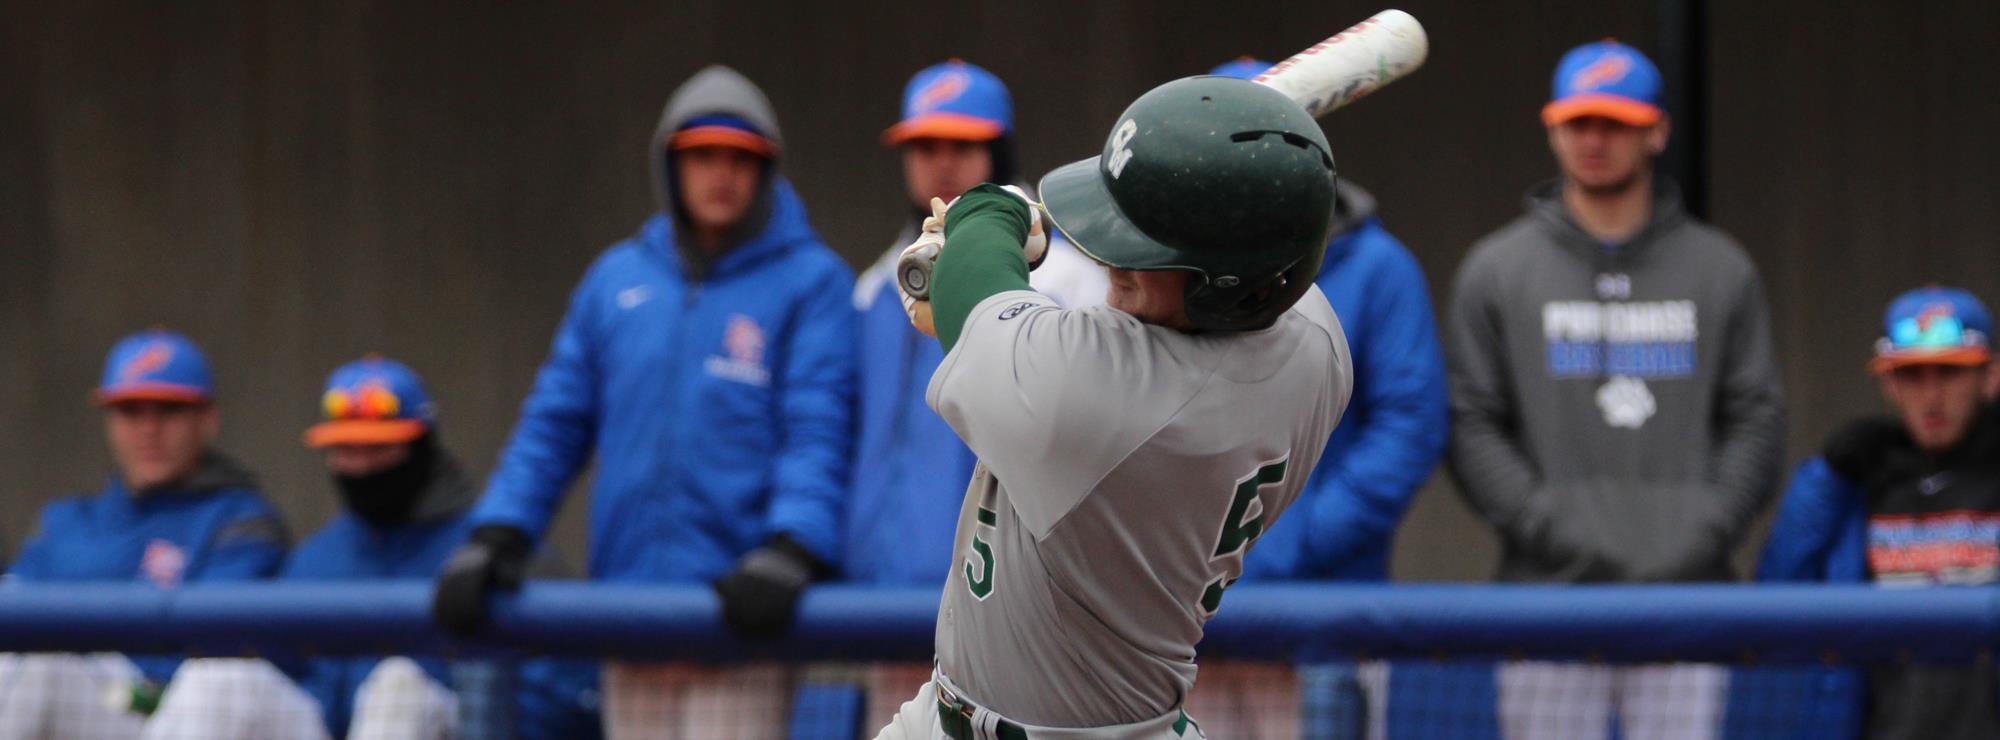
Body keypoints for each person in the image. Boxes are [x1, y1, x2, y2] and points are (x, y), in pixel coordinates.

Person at [874, 74, 1353, 738]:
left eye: (1143, 253)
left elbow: (976, 277)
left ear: (1228, 289)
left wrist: (997, 211)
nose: (1109, 262)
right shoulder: (1317, 342)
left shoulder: (1100, 398)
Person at [431, 65, 855, 738]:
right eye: (703, 155)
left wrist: (792, 549)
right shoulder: (616, 280)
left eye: (741, 159)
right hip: (630, 614)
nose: (722, 174)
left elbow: (818, 429)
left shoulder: (813, 282)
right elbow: (554, 423)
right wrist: (498, 533)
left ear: (766, 170)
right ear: (670, 163)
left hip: (739, 621)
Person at [1444, 40, 1784, 739]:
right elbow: (1470, 420)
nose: (1593, 140)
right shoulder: (1497, 267)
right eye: (1579, 122)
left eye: (1615, 123)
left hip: (1687, 601)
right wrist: (1544, 523)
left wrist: (1709, 526)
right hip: (1546, 600)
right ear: (1553, 128)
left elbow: (1757, 416)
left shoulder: (1720, 268)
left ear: (1656, 130)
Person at [1188, 57, 1450, 740]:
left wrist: (1279, 543)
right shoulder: (1167, 267)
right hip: (1185, 619)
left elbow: (1406, 429)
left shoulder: (1377, 267)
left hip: (1321, 613)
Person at [846, 59, 1110, 726]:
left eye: (961, 144)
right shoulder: (876, 288)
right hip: (888, 602)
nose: (941, 163)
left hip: (1014, 616)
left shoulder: (1069, 282)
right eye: (924, 145)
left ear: (999, 150)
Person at [147, 356, 602, 738]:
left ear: (422, 448)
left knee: (398, 687)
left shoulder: (491, 550)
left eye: (377, 449)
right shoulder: (316, 559)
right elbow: (292, 685)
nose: (359, 467)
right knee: (220, 677)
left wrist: (460, 696)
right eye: (345, 450)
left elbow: (573, 701)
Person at [0, 329, 289, 738]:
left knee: (221, 677)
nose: (148, 429)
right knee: (27, 658)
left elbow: (217, 650)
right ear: (109, 421)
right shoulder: (63, 522)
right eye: (131, 411)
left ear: (207, 420)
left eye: (169, 410)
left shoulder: (238, 521)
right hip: (95, 713)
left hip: (182, 715)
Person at [1758, 287, 2000, 739]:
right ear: (1888, 385)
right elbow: (1780, 587)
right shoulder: (1861, 481)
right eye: (1912, 376)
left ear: (1991, 377)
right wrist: (1825, 477)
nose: (1931, 396)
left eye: (1949, 373)